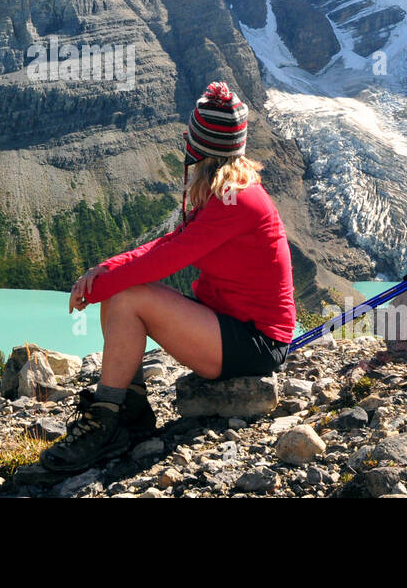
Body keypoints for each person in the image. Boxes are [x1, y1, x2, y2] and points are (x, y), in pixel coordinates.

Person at [39, 81, 296, 474]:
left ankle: (107, 422)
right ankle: (131, 410)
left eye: (190, 132)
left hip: (255, 342)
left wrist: (98, 286)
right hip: (234, 326)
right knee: (122, 291)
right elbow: (170, 243)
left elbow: (168, 259)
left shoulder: (235, 199)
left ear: (199, 144)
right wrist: (104, 271)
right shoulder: (230, 190)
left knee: (126, 298)